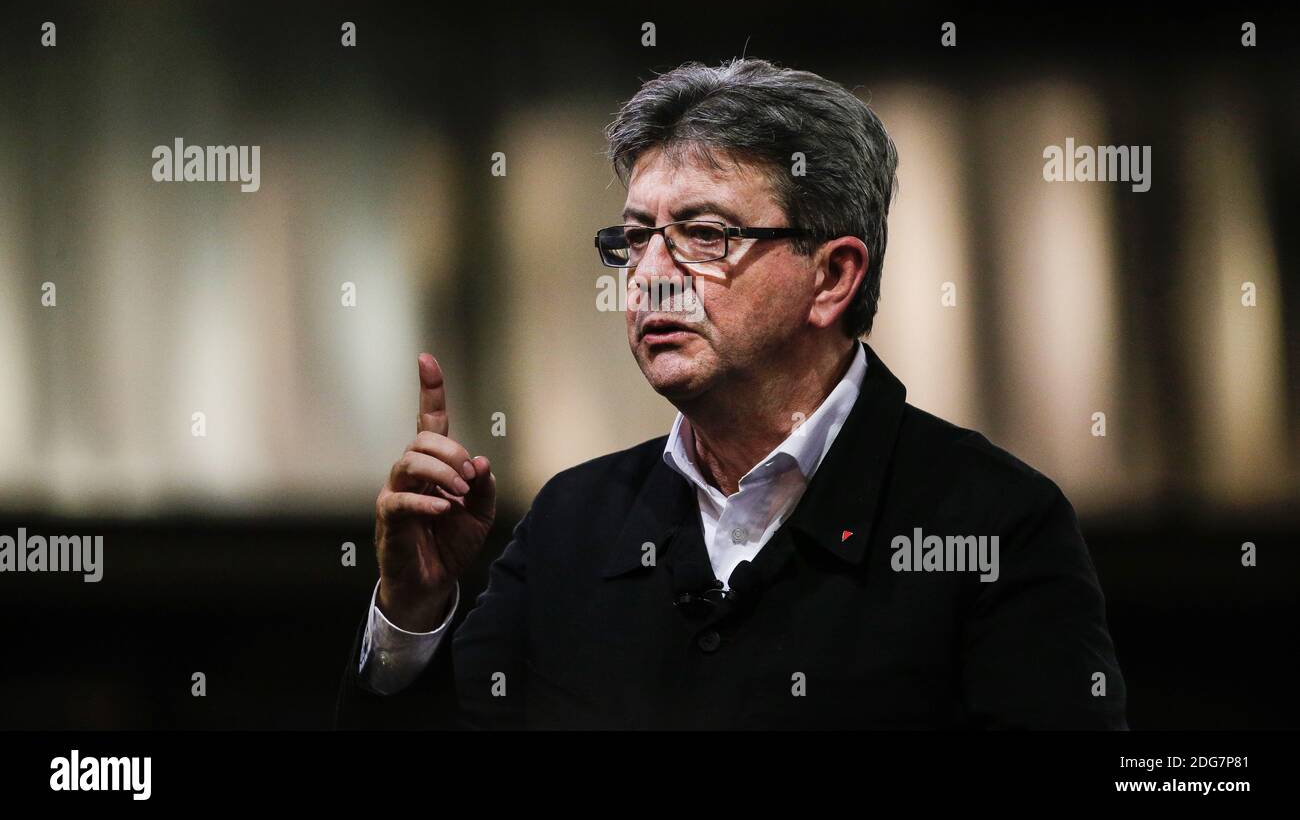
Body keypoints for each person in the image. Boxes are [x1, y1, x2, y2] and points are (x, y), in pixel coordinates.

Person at [335, 57, 1127, 729]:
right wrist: (413, 611)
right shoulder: (574, 521)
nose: (649, 278)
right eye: (635, 238)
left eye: (705, 234)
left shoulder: (992, 523)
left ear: (833, 277)